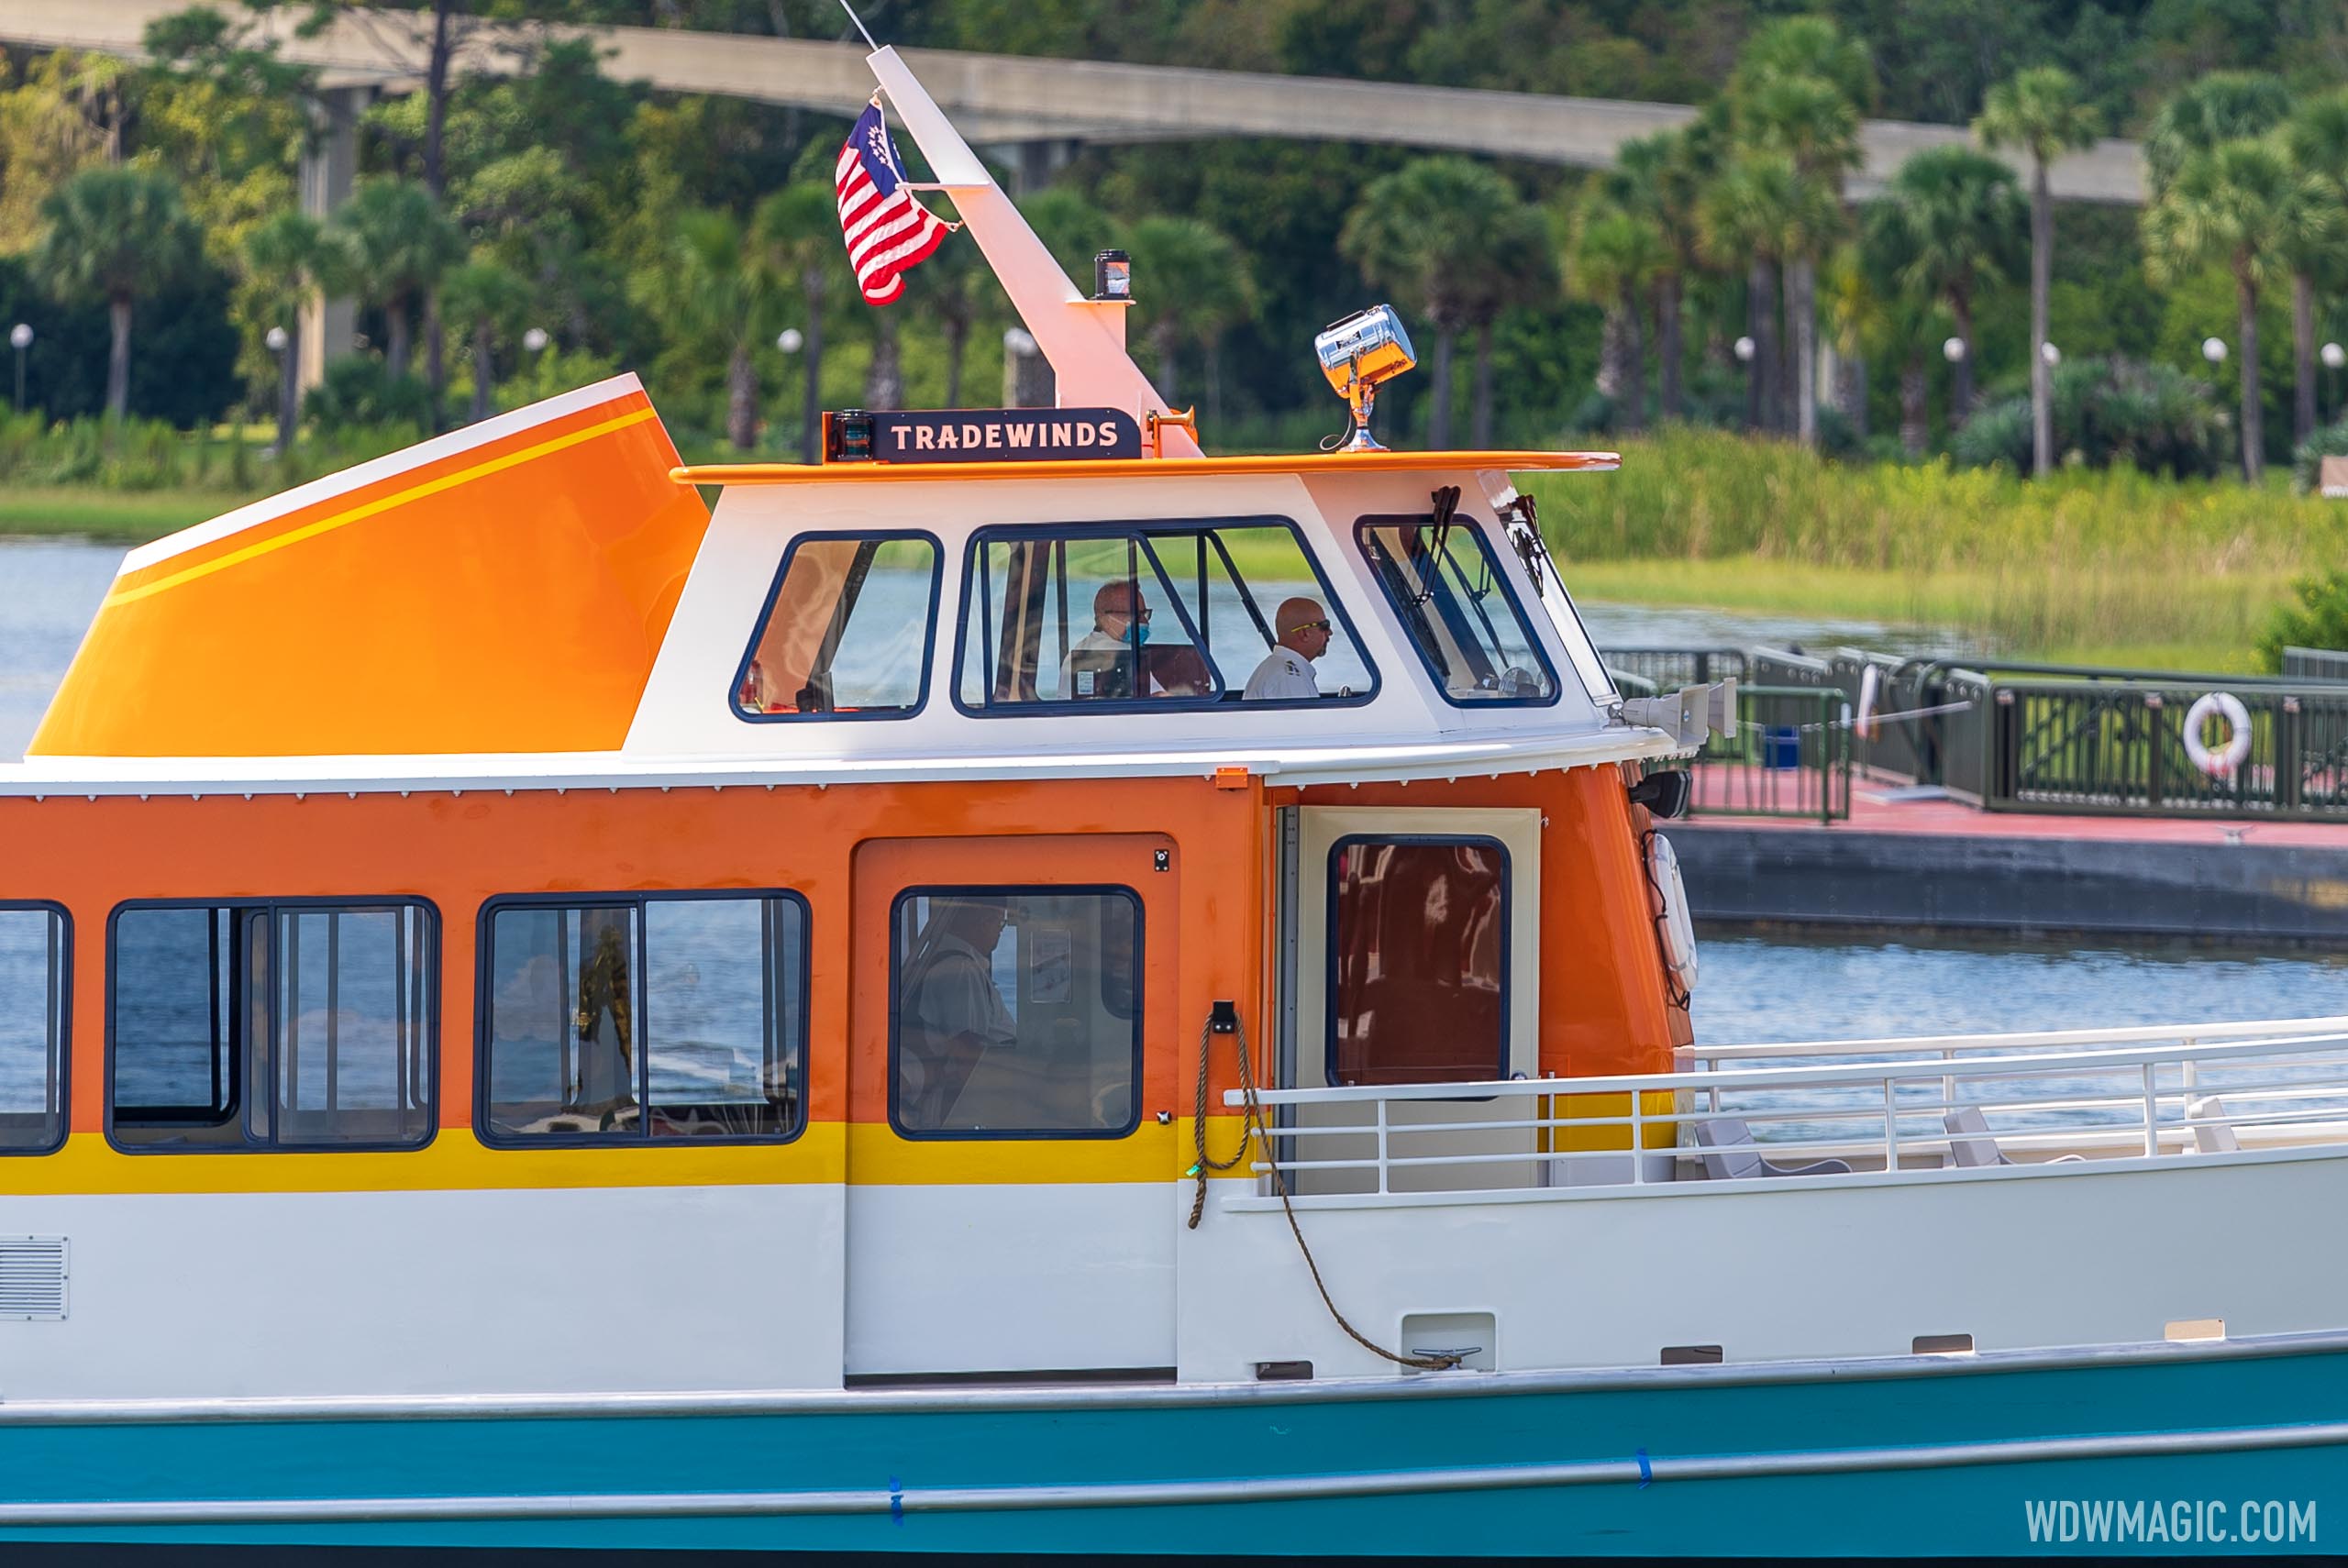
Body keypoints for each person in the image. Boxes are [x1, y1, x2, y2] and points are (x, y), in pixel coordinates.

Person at [899, 897, 1016, 1129]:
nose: (999, 931)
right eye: (999, 922)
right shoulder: (960, 969)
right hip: (959, 1104)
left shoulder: (961, 963)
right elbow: (965, 1049)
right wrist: (1001, 1107)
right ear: (982, 921)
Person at [1061, 580, 1155, 700]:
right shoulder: (1127, 655)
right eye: (1135, 614)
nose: (1145, 621)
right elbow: (1161, 698)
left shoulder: (1079, 651)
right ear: (1105, 618)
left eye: (1144, 614)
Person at [1243, 597, 1333, 701]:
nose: (1330, 632)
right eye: (1324, 626)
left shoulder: (1280, 670)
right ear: (1304, 633)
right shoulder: (1289, 680)